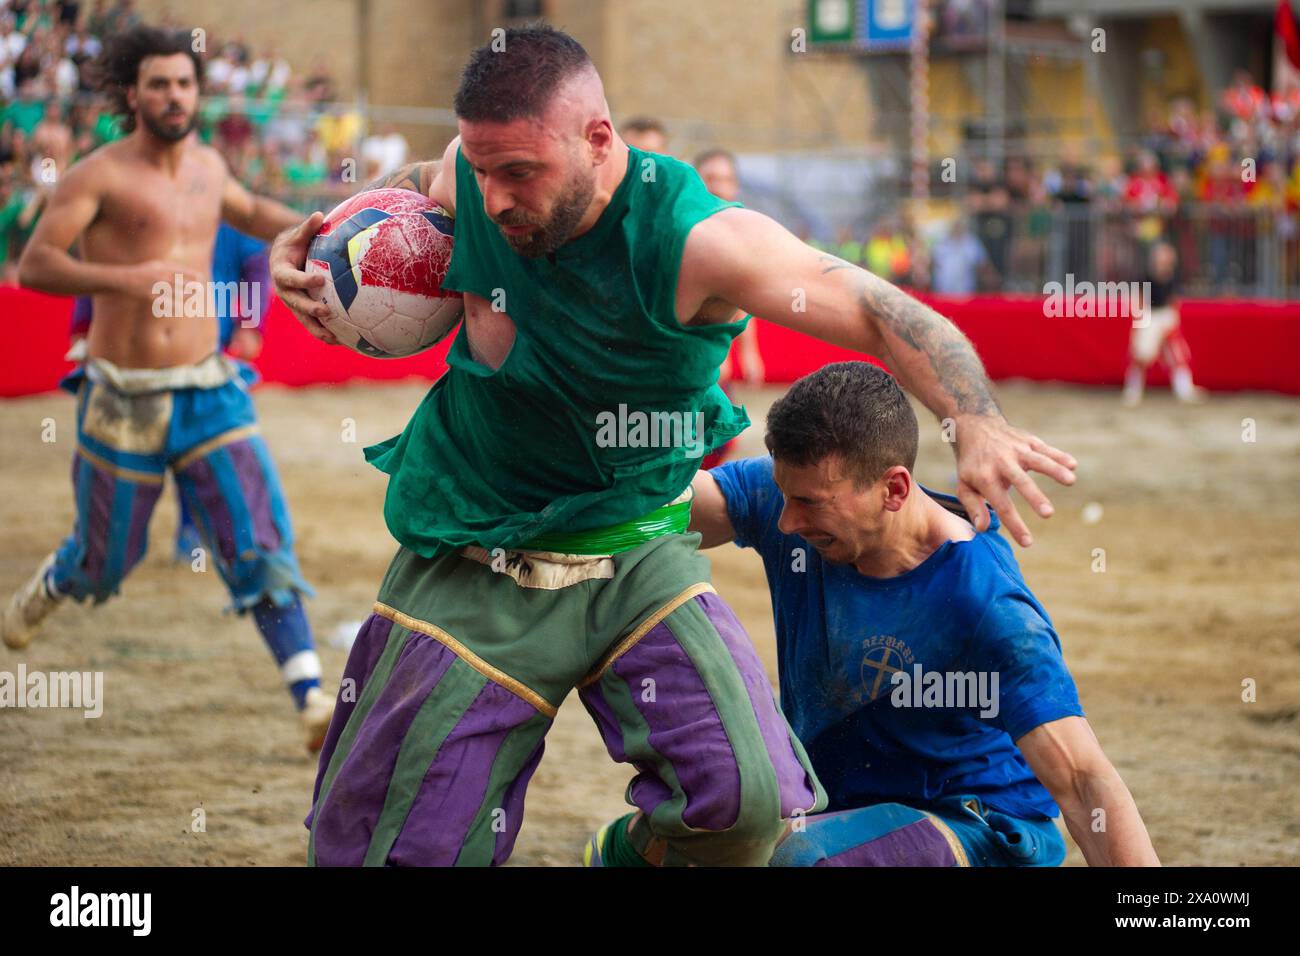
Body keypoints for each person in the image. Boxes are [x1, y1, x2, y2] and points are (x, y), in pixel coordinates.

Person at [271, 25, 1077, 867]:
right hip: (478, 547)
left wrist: (974, 420)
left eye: (519, 173)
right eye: (481, 170)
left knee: (750, 806)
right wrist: (330, 238)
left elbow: (881, 312)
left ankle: (620, 857)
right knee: (389, 849)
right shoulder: (475, 178)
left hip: (638, 549)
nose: (494, 196)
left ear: (598, 140)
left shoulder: (699, 241)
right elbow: (420, 190)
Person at [2, 25, 333, 753]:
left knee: (258, 537)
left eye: (184, 83)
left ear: (197, 91)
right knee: (105, 563)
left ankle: (310, 693)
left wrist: (330, 225)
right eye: (159, 84)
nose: (174, 95)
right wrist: (128, 280)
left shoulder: (211, 167)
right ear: (132, 93)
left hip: (210, 389)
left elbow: (251, 212)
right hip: (122, 398)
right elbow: (35, 266)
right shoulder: (97, 174)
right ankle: (56, 582)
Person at [690, 361, 1160, 866]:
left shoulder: (985, 602)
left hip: (978, 825)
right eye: (784, 495)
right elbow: (660, 508)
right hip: (847, 815)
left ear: (894, 489)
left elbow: (1085, 783)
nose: (786, 520)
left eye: (808, 503)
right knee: (660, 843)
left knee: (797, 860)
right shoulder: (797, 493)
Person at [693, 147, 763, 468]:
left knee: (720, 441)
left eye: (726, 179)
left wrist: (749, 352)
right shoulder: (681, 227)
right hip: (680, 363)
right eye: (711, 178)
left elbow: (744, 295)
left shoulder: (743, 233)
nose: (719, 186)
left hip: (716, 364)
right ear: (695, 181)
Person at [1122, 240, 1205, 407]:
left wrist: (1173, 318)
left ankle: (1184, 389)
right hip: (1149, 315)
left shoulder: (1173, 276)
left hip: (1165, 315)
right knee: (1142, 354)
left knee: (1176, 353)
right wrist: (1141, 319)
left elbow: (1173, 300)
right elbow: (1138, 299)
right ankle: (1133, 389)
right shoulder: (1145, 276)